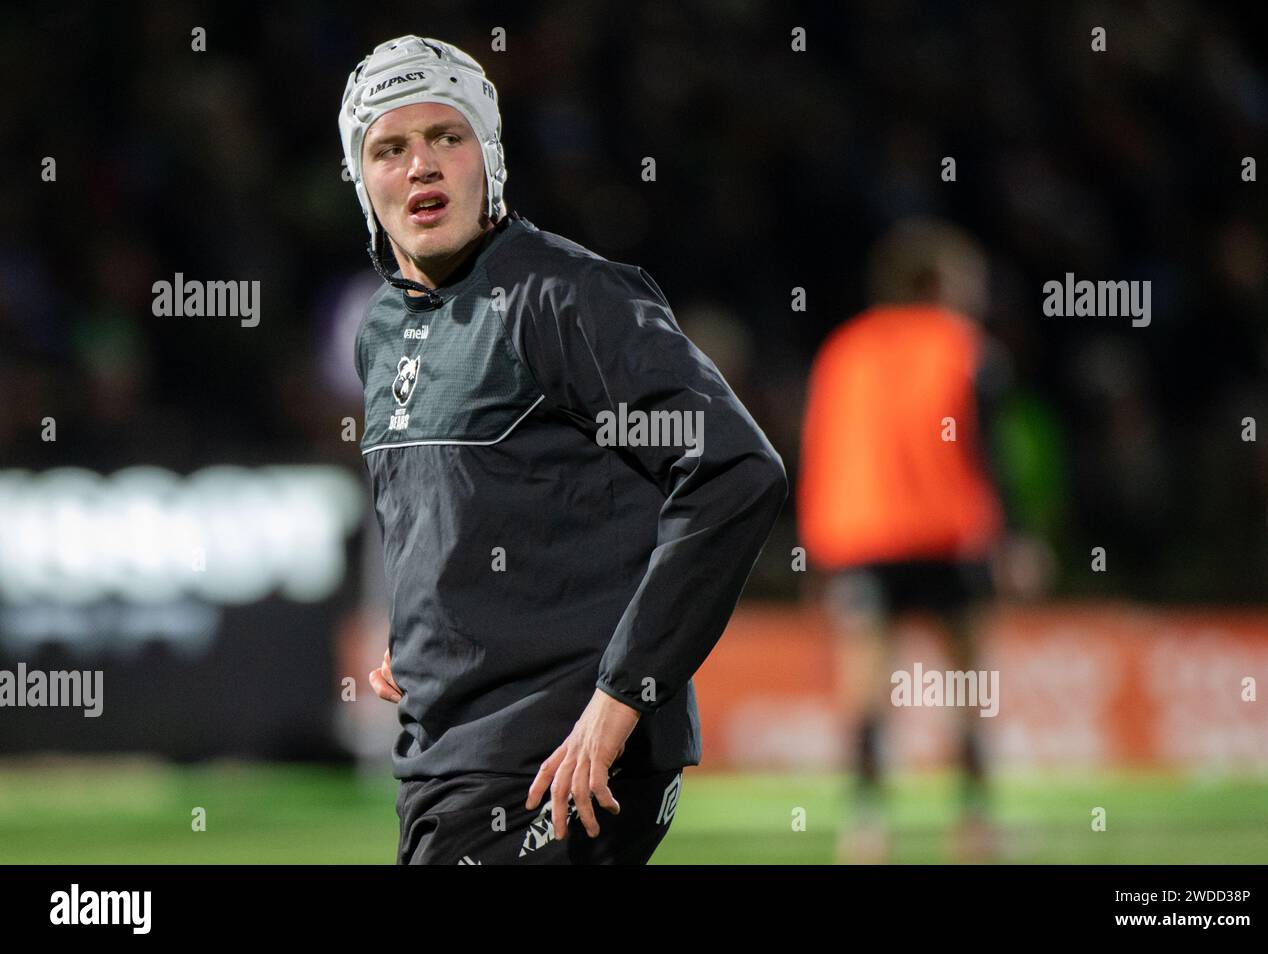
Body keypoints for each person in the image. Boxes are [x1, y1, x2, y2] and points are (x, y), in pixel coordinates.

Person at [339, 35, 787, 864]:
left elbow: (733, 470)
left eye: (448, 136)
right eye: (389, 148)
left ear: (491, 158)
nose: (421, 166)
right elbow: (459, 505)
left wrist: (621, 700)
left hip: (559, 755)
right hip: (446, 752)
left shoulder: (566, 295)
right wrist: (430, 623)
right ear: (361, 180)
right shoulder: (381, 329)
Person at [798, 217, 1032, 863]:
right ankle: (977, 823)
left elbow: (821, 450)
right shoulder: (966, 346)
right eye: (967, 279)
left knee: (865, 689)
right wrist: (1015, 536)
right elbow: (991, 451)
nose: (977, 292)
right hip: (949, 535)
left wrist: (817, 547)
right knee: (967, 683)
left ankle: (865, 826)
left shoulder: (843, 349)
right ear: (935, 282)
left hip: (861, 538)